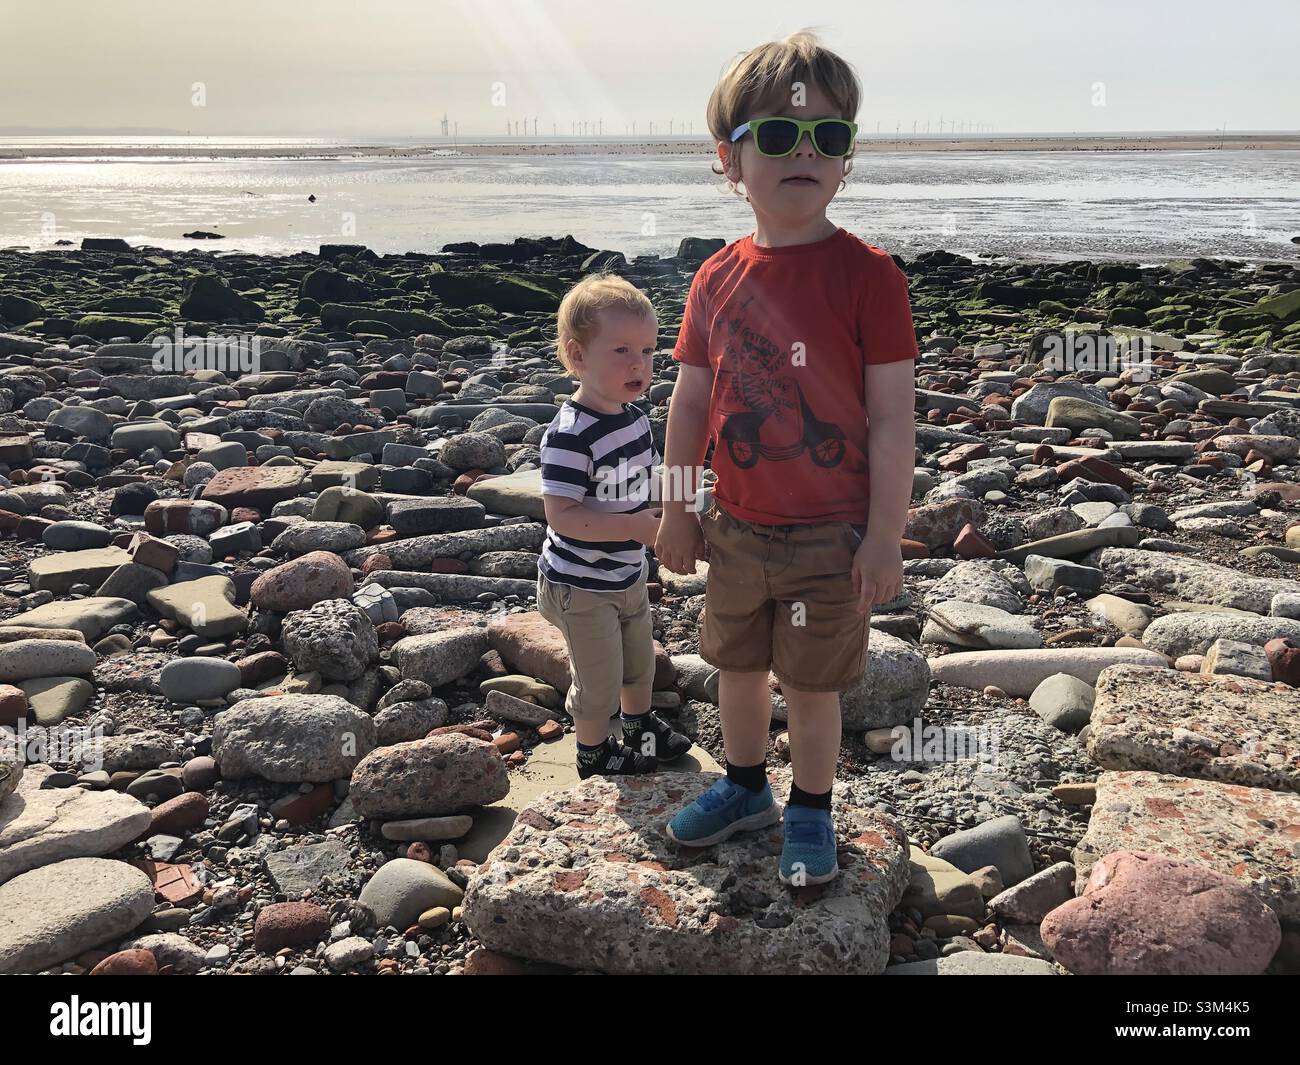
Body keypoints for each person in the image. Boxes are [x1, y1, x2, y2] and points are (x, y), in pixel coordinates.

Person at [654, 30, 919, 885]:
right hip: (733, 524)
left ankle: (810, 805)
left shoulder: (870, 276)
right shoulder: (714, 279)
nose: (803, 152)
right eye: (776, 135)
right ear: (730, 162)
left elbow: (890, 420)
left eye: (827, 138)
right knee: (734, 665)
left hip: (828, 537)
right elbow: (690, 402)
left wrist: (884, 536)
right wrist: (677, 506)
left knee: (809, 685)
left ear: (846, 161)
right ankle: (742, 787)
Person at [537, 273, 693, 778]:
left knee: (638, 664)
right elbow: (563, 516)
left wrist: (686, 509)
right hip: (579, 584)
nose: (638, 364)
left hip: (625, 574)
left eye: (648, 351)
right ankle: (593, 752)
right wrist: (636, 528)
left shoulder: (633, 420)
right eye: (622, 349)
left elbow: (653, 477)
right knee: (599, 678)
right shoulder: (569, 435)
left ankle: (639, 724)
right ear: (577, 356)